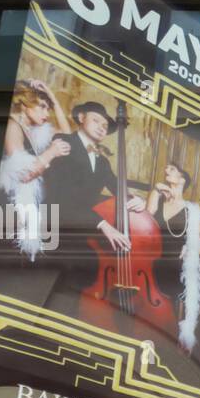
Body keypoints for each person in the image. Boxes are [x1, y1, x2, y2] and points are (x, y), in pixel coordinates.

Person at [42, 100, 146, 291]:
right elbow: (62, 198)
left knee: (91, 268)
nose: (101, 127)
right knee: (81, 268)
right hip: (54, 226)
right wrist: (104, 225)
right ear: (81, 118)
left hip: (81, 229)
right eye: (96, 120)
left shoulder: (103, 162)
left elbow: (118, 188)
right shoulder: (64, 143)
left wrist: (138, 200)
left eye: (105, 125)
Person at [0, 79, 71, 260]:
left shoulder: (32, 131)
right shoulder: (12, 126)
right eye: (43, 107)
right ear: (24, 104)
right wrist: (50, 153)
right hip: (7, 205)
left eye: (49, 108)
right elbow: (23, 174)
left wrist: (53, 99)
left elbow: (67, 135)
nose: (47, 113)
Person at [145, 161, 200, 350]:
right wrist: (156, 190)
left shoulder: (191, 211)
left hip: (176, 270)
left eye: (172, 169)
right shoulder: (157, 198)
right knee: (150, 318)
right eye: (166, 168)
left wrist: (191, 250)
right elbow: (147, 218)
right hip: (152, 264)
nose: (166, 170)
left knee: (172, 322)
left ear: (182, 179)